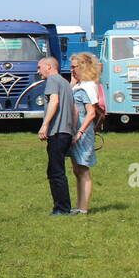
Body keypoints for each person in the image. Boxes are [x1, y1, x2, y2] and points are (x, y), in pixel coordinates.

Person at [36, 56, 78, 216]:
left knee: (56, 172)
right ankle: (63, 207)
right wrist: (73, 130)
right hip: (66, 132)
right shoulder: (66, 84)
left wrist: (45, 125)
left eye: (40, 67)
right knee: (55, 170)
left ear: (48, 67)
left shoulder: (53, 80)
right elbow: (75, 110)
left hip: (57, 132)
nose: (38, 71)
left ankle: (62, 208)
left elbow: (54, 101)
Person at [68, 52, 102, 214]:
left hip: (82, 131)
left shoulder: (88, 86)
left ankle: (84, 208)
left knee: (83, 169)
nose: (71, 69)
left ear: (83, 66)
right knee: (76, 170)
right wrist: (73, 82)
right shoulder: (78, 84)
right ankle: (79, 205)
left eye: (74, 67)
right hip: (75, 129)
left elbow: (91, 113)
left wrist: (80, 133)